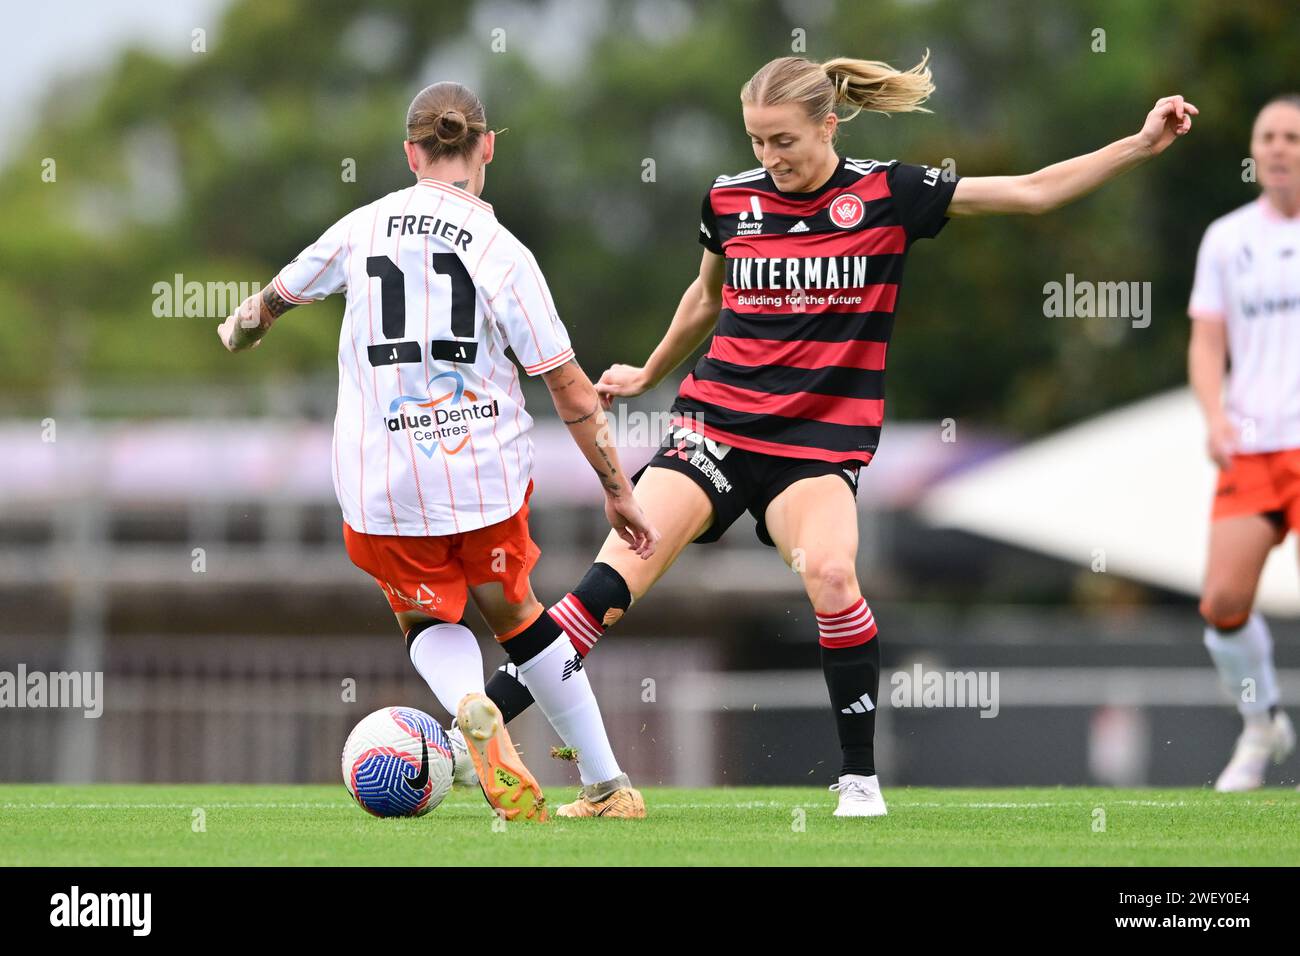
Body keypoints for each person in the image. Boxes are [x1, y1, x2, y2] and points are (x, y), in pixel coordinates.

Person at [483, 53, 1198, 817]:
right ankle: (473, 736)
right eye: (757, 141)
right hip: (714, 429)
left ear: (828, 124)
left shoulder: (890, 193)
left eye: (783, 140)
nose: (768, 157)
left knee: (831, 576)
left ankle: (858, 780)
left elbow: (1030, 192)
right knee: (607, 585)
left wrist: (1139, 143)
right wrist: (650, 371)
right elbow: (705, 295)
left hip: (817, 447)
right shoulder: (729, 200)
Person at [216, 81, 659, 821]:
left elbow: (267, 306)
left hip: (382, 480)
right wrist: (616, 486)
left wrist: (238, 332)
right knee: (518, 615)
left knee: (426, 621)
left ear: (410, 153)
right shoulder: (503, 251)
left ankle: (466, 705)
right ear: (487, 147)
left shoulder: (360, 228)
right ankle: (608, 785)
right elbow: (573, 391)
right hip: (482, 474)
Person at [1187, 94, 1300, 791]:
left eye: (1293, 135)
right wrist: (1214, 416)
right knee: (1222, 605)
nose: (1280, 146)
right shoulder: (1227, 238)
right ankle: (1263, 726)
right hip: (1254, 448)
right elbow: (1207, 341)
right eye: (1269, 136)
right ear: (1253, 150)